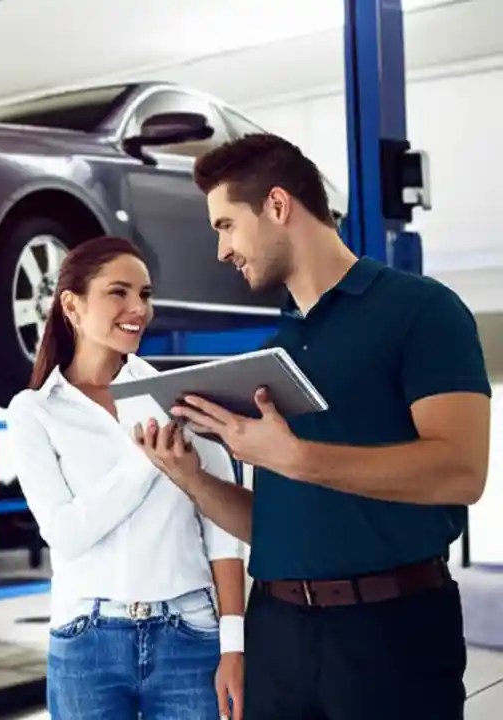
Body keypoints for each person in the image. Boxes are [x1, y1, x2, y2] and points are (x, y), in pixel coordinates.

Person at [150, 132, 491, 719]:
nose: (221, 250)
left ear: (277, 206)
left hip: (390, 634)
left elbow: (462, 472)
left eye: (226, 225)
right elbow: (282, 529)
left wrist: (293, 456)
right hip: (278, 632)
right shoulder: (278, 349)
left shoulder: (422, 310)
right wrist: (194, 481)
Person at [5, 235, 248, 720]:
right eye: (119, 292)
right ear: (71, 305)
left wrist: (234, 646)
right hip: (86, 643)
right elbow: (67, 535)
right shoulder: (34, 412)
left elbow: (223, 538)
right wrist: (149, 459)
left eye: (145, 294)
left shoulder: (180, 397)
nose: (138, 307)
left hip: (190, 635)